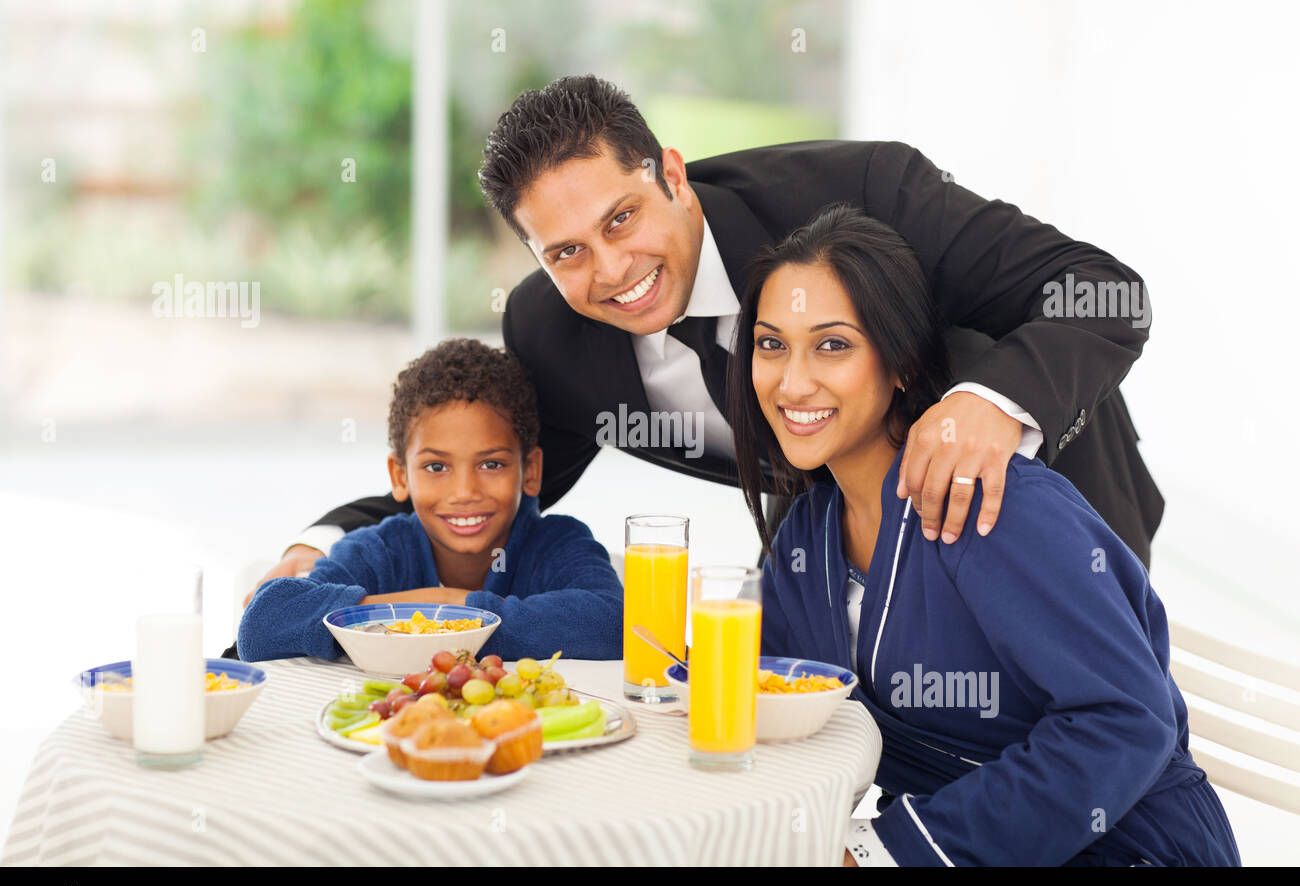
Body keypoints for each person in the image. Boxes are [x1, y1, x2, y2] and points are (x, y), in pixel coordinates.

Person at [250, 74, 1162, 600]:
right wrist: (321, 546)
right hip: (838, 578)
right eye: (566, 251)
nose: (610, 272)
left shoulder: (867, 195)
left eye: (622, 220)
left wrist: (988, 404)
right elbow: (497, 484)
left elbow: (1105, 293)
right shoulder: (551, 331)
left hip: (1057, 532)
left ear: (673, 175)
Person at [733, 204, 1238, 866]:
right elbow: (753, 688)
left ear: (904, 363)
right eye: (772, 344)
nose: (792, 382)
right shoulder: (807, 538)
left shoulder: (997, 509)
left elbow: (1125, 722)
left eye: (833, 344)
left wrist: (892, 852)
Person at [235, 339, 623, 663]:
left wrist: (451, 610)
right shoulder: (378, 551)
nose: (465, 491)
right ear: (400, 476)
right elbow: (264, 622)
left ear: (531, 470)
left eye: (491, 463)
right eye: (437, 466)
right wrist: (439, 606)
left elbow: (612, 623)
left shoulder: (558, 544)